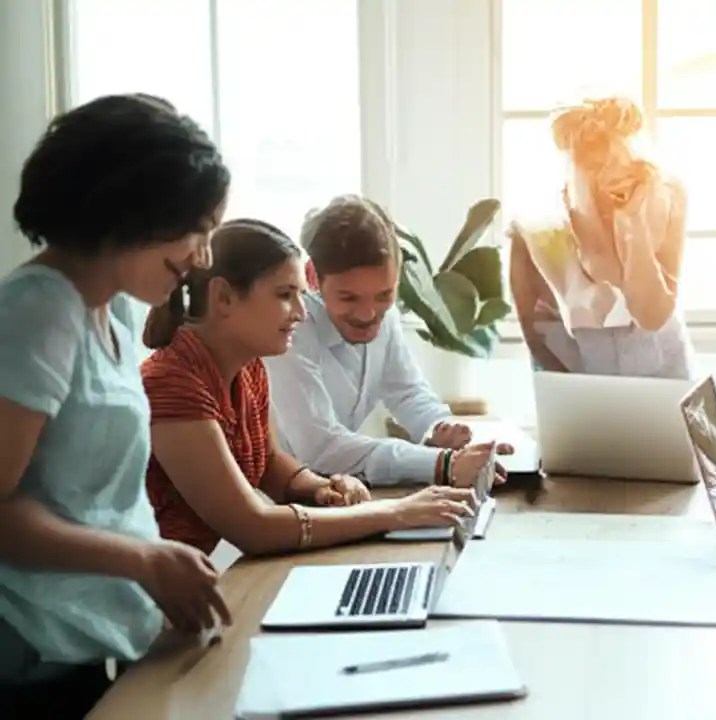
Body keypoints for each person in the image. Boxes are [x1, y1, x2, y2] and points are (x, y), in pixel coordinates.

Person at [0, 94, 232, 717]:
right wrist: (144, 560)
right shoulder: (39, 311)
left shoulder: (116, 310)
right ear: (127, 209)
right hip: (34, 655)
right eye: (195, 229)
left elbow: (97, 500)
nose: (202, 256)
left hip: (97, 637)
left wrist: (154, 581)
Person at [142, 219, 492, 557]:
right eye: (285, 295)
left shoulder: (247, 368)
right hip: (137, 600)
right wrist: (395, 512)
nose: (301, 313)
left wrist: (322, 487)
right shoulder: (173, 384)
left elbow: (268, 464)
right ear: (223, 298)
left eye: (300, 295)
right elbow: (252, 528)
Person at [265, 196, 497, 486]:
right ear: (312, 277)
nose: (368, 313)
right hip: (279, 500)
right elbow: (321, 448)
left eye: (384, 295)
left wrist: (442, 430)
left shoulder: (384, 317)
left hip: (333, 492)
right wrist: (442, 463)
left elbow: (408, 392)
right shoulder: (288, 330)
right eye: (348, 297)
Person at [508, 96, 693, 378]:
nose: (612, 180)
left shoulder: (664, 196)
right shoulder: (537, 231)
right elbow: (541, 343)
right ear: (572, 168)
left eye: (623, 164)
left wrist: (635, 229)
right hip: (584, 386)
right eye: (595, 167)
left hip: (670, 381)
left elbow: (652, 314)